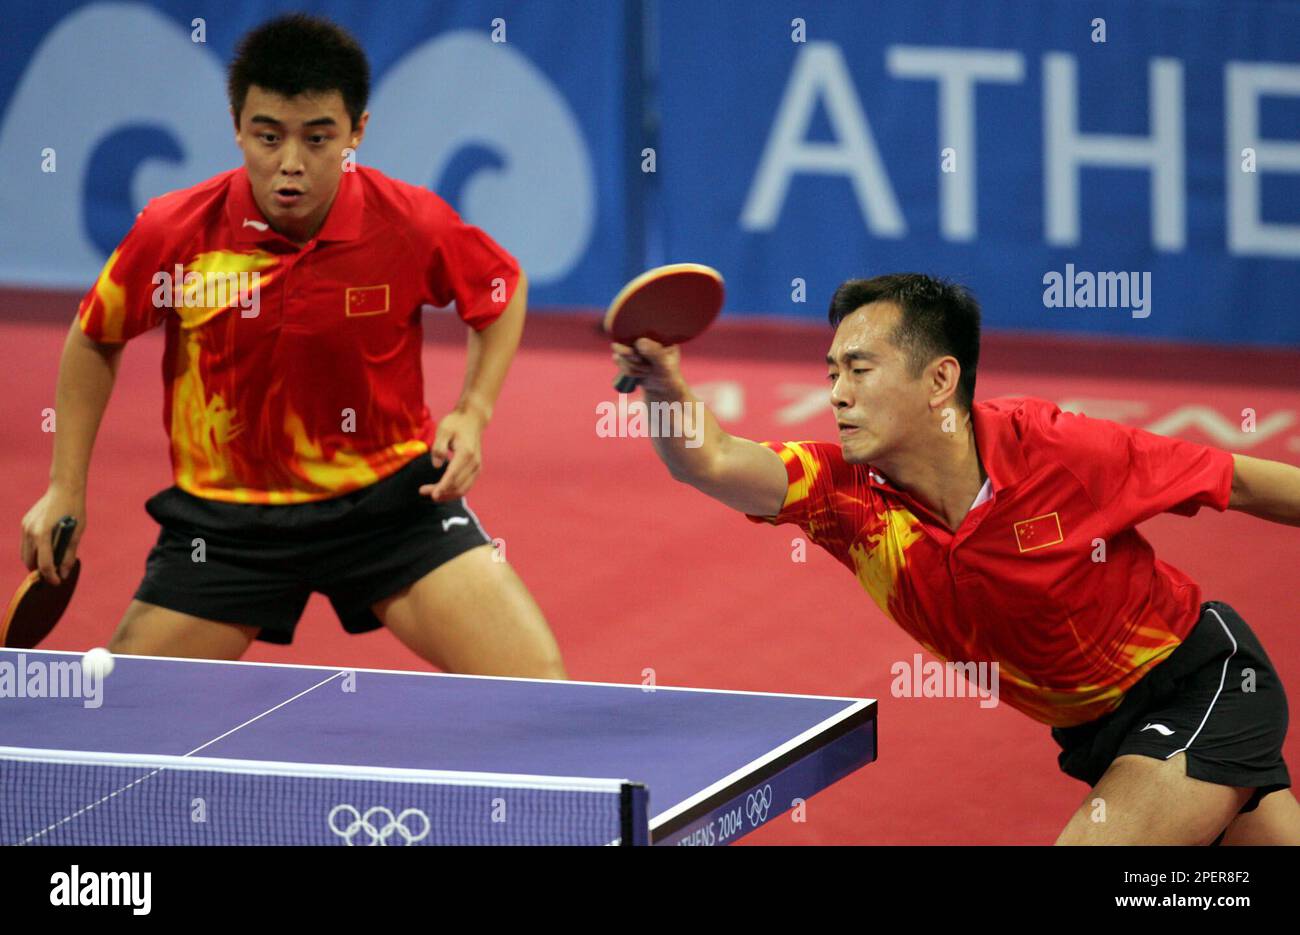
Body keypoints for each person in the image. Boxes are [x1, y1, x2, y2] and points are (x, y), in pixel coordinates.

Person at [613, 272, 1300, 844]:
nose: (837, 392)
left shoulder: (1054, 450)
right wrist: (663, 382)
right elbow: (711, 459)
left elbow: (1238, 481)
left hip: (1202, 684)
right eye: (831, 372)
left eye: (860, 368)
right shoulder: (846, 499)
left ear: (941, 379)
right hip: (1096, 733)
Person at [18, 14, 565, 679]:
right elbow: (94, 337)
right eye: (268, 136)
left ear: (358, 132)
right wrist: (65, 486)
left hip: (390, 506)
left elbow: (502, 291)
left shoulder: (409, 222)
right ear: (237, 125)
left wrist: (473, 411)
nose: (291, 165)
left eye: (318, 137)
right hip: (227, 524)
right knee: (125, 720)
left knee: (537, 688)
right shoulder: (176, 231)